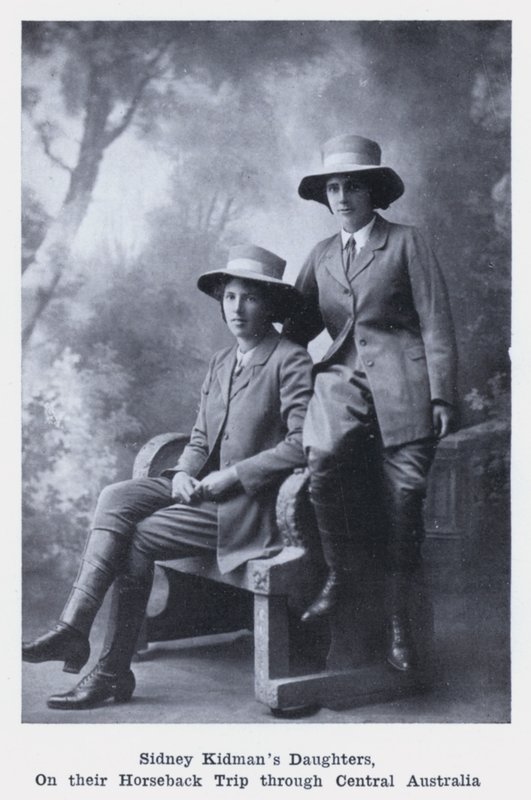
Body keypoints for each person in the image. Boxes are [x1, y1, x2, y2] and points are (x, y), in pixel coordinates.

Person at [23, 244, 313, 709]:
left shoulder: (290, 359)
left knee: (138, 537)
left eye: (250, 298)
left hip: (249, 505)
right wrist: (181, 473)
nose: (237, 309)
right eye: (231, 297)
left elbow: (302, 445)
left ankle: (110, 670)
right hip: (201, 491)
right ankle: (73, 629)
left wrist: (233, 476)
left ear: (271, 304)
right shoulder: (222, 362)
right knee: (116, 496)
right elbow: (199, 437)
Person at [284, 134, 458, 672]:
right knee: (324, 456)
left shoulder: (408, 242)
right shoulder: (320, 255)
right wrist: (265, 358)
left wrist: (442, 394)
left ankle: (401, 625)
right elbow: (297, 328)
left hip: (406, 389)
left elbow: (435, 321)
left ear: (372, 192)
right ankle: (340, 574)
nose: (341, 196)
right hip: (342, 384)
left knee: (403, 505)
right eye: (333, 187)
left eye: (352, 185)